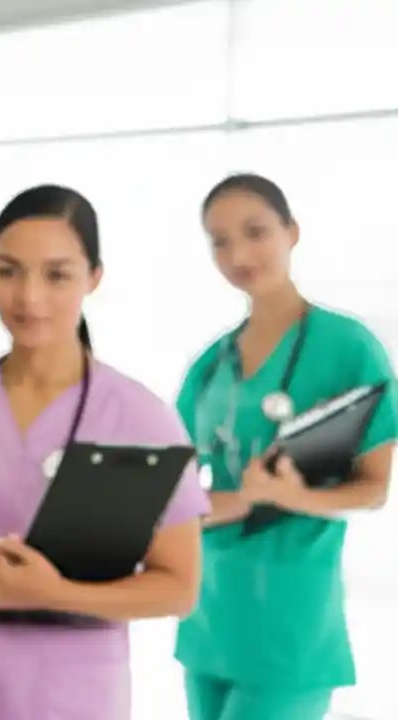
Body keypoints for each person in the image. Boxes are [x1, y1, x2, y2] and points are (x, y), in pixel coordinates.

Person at [0, 184, 211, 720]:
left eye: (56, 275)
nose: (28, 297)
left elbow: (178, 587)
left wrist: (58, 592)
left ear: (94, 278)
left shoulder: (140, 417)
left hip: (70, 691)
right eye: (8, 271)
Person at [173, 174, 397, 720]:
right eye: (219, 240)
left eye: (255, 232)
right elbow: (172, 491)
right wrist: (230, 504)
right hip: (209, 616)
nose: (238, 253)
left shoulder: (348, 347)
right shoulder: (210, 366)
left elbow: (374, 489)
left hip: (292, 624)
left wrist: (290, 496)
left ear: (291, 231)